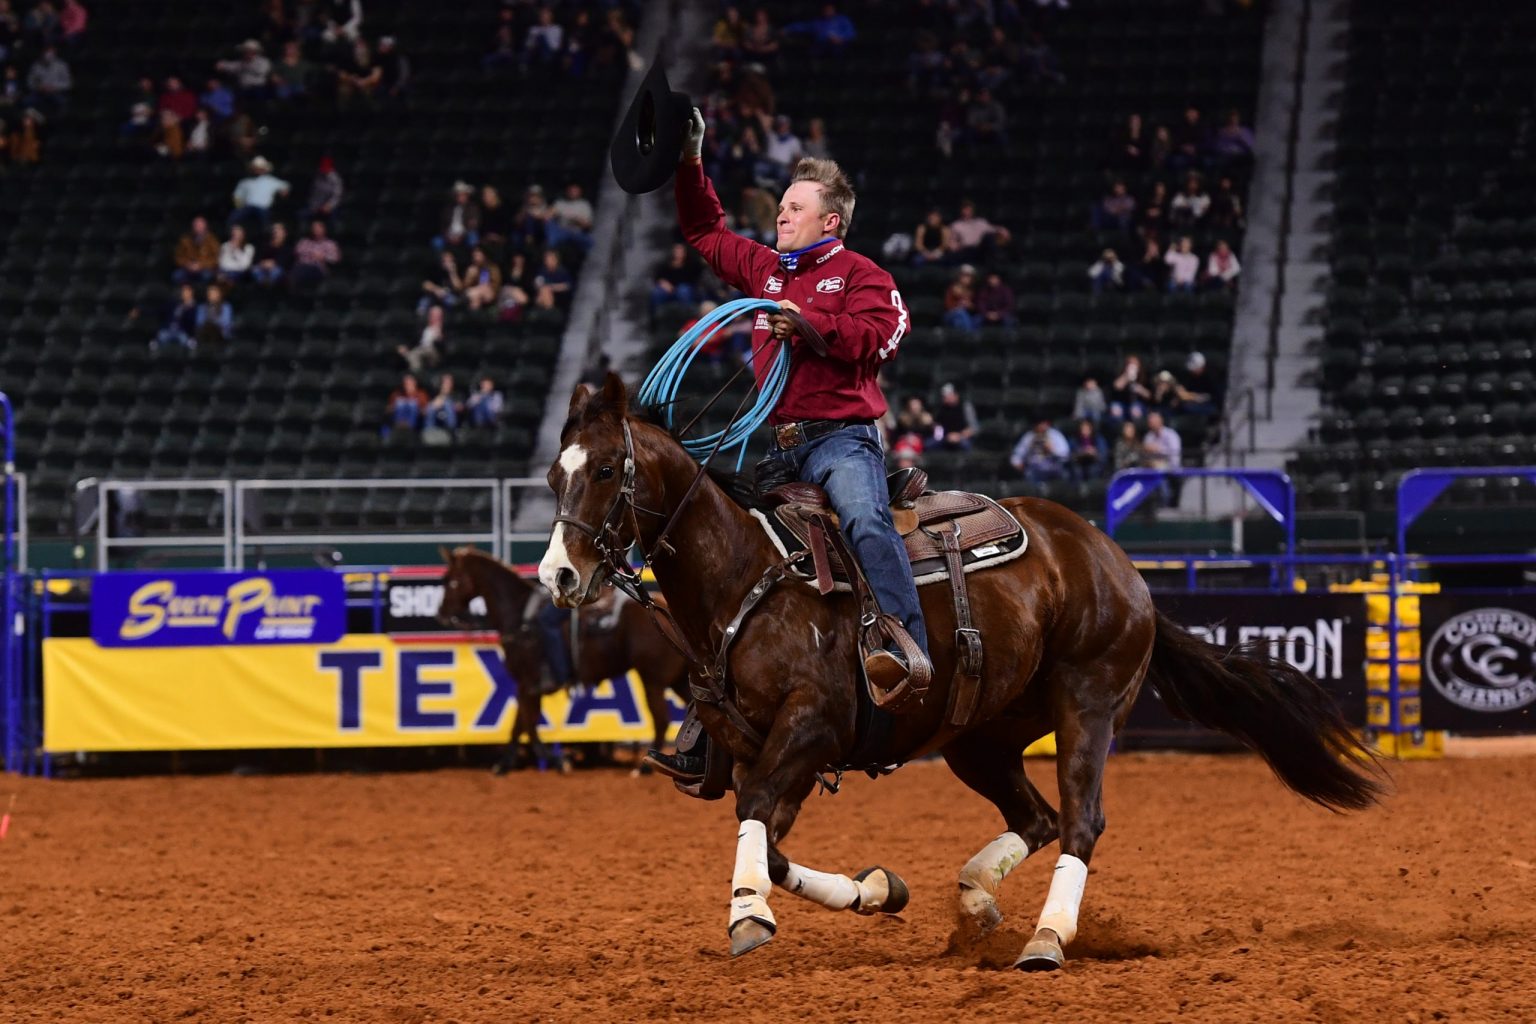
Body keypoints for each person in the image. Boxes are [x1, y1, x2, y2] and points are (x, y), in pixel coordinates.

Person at [650, 106, 930, 785]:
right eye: (781, 206)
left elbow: (883, 338)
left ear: (829, 221)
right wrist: (691, 160)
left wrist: (810, 325)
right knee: (720, 561)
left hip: (841, 442)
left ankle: (905, 644)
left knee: (863, 518)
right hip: (774, 451)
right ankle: (713, 711)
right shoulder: (766, 269)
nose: (780, 215)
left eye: (794, 207)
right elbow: (702, 229)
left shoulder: (863, 277)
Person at [230, 155, 290, 233]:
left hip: (263, 209)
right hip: (248, 207)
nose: (258, 170)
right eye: (256, 168)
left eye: (260, 168)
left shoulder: (271, 181)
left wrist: (284, 191)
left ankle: (265, 233)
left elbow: (285, 185)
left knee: (266, 222)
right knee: (234, 217)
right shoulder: (245, 182)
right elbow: (237, 196)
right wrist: (239, 206)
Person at [1141, 410, 1183, 507]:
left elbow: (1175, 455)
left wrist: (1158, 450)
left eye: (1154, 421)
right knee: (1155, 472)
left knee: (1160, 474)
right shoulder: (1148, 436)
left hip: (1172, 467)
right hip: (1155, 468)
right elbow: (1146, 455)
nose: (1151, 424)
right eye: (1150, 422)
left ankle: (1165, 503)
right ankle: (1159, 505)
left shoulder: (1171, 435)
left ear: (1160, 421)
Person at [1010, 416, 1069, 484]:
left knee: (1064, 475)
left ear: (1047, 424)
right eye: (1039, 424)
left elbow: (1065, 455)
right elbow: (1017, 455)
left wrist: (1052, 450)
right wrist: (1018, 463)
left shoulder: (1055, 435)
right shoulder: (1029, 436)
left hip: (1054, 471)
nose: (1041, 426)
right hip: (1035, 472)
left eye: (1043, 423)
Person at [290, 218, 340, 290]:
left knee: (301, 271)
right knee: (296, 269)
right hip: (301, 266)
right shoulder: (304, 241)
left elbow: (335, 259)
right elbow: (296, 252)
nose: (316, 229)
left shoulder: (330, 243)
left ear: (324, 229)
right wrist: (308, 253)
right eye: (314, 227)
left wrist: (323, 257)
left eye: (319, 227)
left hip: (318, 268)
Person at [397, 304, 445, 373]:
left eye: (437, 315)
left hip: (435, 351)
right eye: (432, 315)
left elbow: (446, 347)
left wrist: (440, 338)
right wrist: (406, 347)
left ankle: (416, 375)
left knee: (414, 355)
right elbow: (415, 340)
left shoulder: (444, 328)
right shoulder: (424, 328)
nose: (435, 317)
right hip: (421, 349)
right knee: (405, 351)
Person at [932, 382, 978, 451]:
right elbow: (937, 426)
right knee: (929, 444)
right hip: (945, 437)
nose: (947, 398)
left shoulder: (966, 407)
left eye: (950, 395)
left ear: (956, 395)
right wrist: (943, 436)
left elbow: (974, 428)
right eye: (945, 396)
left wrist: (959, 436)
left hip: (962, 437)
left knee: (966, 445)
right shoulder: (941, 408)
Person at [173, 216, 220, 284]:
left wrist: (201, 265)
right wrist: (188, 264)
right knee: (177, 276)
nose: (198, 228)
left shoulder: (212, 240)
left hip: (205, 268)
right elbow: (178, 257)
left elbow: (216, 258)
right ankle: (186, 292)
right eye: (196, 226)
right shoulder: (185, 240)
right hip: (188, 268)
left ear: (205, 227)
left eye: (200, 226)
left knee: (207, 276)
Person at [152, 284, 199, 351]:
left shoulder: (194, 306)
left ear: (192, 292)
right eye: (183, 291)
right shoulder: (175, 303)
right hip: (169, 329)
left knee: (186, 340)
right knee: (160, 338)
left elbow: (191, 322)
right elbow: (163, 312)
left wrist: (188, 308)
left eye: (187, 291)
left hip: (182, 331)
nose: (184, 293)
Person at [301, 155, 344, 226]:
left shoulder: (336, 179)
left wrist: (329, 205)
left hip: (331, 207)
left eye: (326, 169)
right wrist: (314, 207)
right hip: (316, 206)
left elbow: (337, 196)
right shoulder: (318, 176)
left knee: (334, 220)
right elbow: (314, 194)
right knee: (302, 214)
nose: (324, 171)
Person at [252, 221, 291, 287]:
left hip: (278, 268)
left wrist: (273, 264)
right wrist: (263, 263)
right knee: (255, 270)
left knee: (276, 271)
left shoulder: (287, 247)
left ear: (285, 233)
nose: (275, 231)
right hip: (263, 267)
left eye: (279, 229)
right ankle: (263, 286)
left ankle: (267, 287)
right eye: (274, 229)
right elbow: (257, 259)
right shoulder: (265, 245)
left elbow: (284, 262)